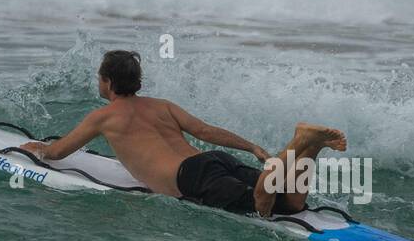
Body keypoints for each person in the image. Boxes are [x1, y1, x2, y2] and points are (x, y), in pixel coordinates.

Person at [20, 50, 346, 217]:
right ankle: (311, 147)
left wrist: (38, 149)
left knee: (262, 204)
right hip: (213, 160)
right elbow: (205, 131)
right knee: (291, 203)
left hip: (190, 178)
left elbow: (60, 152)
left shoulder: (103, 117)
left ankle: (299, 141)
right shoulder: (162, 106)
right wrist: (252, 147)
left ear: (107, 82)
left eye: (99, 78)